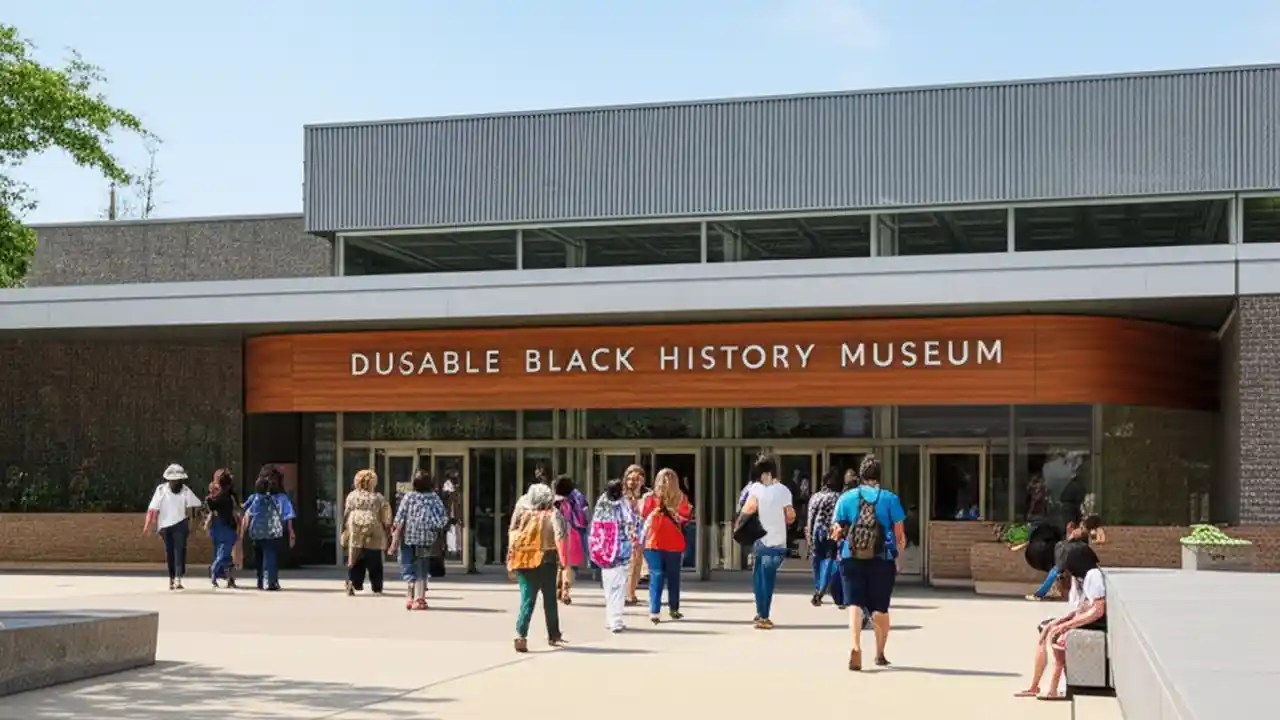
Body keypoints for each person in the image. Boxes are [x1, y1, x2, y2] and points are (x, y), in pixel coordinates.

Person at [832, 454, 906, 671]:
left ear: (861, 475)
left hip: (851, 557)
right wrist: (898, 557)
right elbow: (899, 536)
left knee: (854, 603)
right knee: (880, 608)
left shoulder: (846, 498)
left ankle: (855, 646)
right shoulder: (890, 499)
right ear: (879, 475)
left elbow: (836, 529)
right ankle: (880, 653)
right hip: (882, 559)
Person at [1016, 544, 1107, 701]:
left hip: (1096, 620)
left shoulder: (1094, 575)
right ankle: (1034, 686)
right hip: (1084, 616)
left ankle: (1053, 689)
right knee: (1045, 631)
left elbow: (1098, 610)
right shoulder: (1078, 578)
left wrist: (1067, 625)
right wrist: (1063, 620)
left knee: (1058, 637)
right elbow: (1079, 608)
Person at [508, 482, 569, 653]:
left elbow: (512, 531)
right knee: (550, 599)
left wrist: (511, 557)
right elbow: (560, 537)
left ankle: (521, 634)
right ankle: (554, 634)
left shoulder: (521, 507)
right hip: (547, 559)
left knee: (527, 598)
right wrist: (565, 564)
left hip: (524, 559)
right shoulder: (553, 514)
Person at [741, 455, 794, 629]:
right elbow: (790, 516)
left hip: (760, 540)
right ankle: (764, 615)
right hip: (778, 542)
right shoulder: (784, 491)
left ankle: (761, 613)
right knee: (768, 578)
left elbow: (748, 509)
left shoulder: (755, 489)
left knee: (759, 578)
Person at [387, 469, 448, 610]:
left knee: (407, 564)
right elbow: (443, 517)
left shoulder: (409, 496)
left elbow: (400, 516)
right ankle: (420, 598)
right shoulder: (434, 498)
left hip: (409, 536)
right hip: (426, 538)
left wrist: (395, 530)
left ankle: (410, 594)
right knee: (422, 566)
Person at [640, 468, 693, 624]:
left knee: (662, 576)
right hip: (665, 542)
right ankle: (668, 609)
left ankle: (658, 610)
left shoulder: (676, 499)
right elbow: (643, 515)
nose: (666, 483)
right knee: (667, 576)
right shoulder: (655, 498)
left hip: (658, 542)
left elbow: (685, 517)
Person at [142, 463, 203, 591]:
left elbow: (197, 505)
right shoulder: (161, 490)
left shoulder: (186, 491)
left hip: (180, 524)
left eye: (178, 480)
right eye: (173, 481)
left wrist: (194, 523)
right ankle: (171, 578)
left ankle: (178, 578)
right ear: (168, 480)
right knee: (170, 552)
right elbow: (153, 509)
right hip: (164, 526)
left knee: (179, 551)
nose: (175, 483)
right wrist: (147, 526)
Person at [590, 478, 637, 632]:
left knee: (609, 587)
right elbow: (630, 523)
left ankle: (610, 619)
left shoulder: (601, 503)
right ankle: (616, 620)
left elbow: (595, 525)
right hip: (620, 552)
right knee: (618, 587)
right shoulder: (623, 504)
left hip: (604, 551)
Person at [241, 465, 297, 591]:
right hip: (273, 531)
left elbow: (247, 513)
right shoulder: (282, 498)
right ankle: (271, 581)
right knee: (270, 555)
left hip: (256, 531)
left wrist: (242, 532)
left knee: (259, 556)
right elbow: (287, 515)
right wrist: (291, 532)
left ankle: (260, 581)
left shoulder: (255, 497)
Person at [1028, 515, 1106, 601]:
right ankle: (1040, 594)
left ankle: (1041, 593)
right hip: (1069, 552)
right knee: (1059, 572)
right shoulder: (1084, 531)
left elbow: (1071, 539)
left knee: (1058, 572)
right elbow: (1100, 540)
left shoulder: (1082, 531)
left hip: (1068, 551)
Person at [342, 468, 393, 595]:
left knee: (355, 558)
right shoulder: (378, 498)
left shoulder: (352, 496)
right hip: (374, 532)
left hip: (355, 531)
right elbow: (385, 517)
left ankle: (354, 583)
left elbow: (346, 513)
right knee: (374, 560)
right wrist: (387, 529)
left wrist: (345, 530)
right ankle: (376, 586)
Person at [805, 467, 844, 607]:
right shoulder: (837, 497)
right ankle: (822, 589)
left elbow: (810, 517)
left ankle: (817, 587)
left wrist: (809, 535)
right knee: (829, 559)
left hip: (816, 529)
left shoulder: (815, 496)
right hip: (830, 530)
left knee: (817, 559)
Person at [553, 474, 588, 604]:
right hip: (570, 534)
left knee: (560, 563)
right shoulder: (572, 501)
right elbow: (582, 516)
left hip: (554, 536)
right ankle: (565, 591)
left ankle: (558, 588)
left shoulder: (553, 502)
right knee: (569, 565)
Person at [204, 468, 241, 589]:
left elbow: (212, 507)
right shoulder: (228, 496)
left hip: (218, 526)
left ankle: (224, 576)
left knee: (222, 553)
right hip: (226, 527)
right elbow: (236, 510)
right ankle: (218, 572)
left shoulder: (220, 495)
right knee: (225, 553)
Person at [622, 464, 647, 605]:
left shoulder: (646, 495)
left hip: (642, 532)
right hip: (627, 534)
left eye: (638, 478)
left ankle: (632, 591)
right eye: (630, 478)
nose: (633, 481)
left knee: (638, 564)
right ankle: (627, 594)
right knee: (631, 564)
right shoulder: (622, 496)